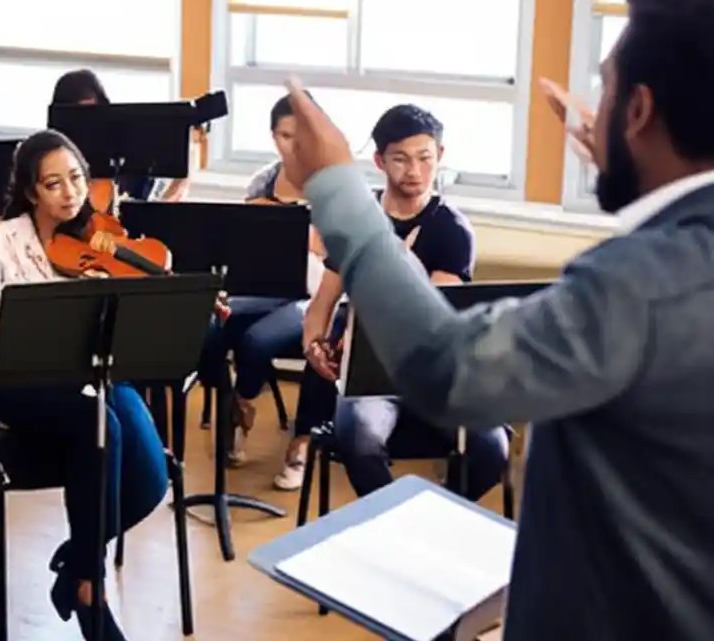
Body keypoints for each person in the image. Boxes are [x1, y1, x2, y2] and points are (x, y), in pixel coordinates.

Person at [282, 0, 714, 639]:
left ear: (640, 110)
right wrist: (640, 170)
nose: (592, 114)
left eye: (607, 90)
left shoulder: (638, 286)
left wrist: (336, 188)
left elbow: (444, 367)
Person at [0, 129, 169, 641]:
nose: (70, 193)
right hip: (30, 382)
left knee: (153, 479)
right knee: (101, 426)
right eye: (53, 183)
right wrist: (27, 302)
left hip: (98, 375)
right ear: (31, 192)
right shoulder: (10, 240)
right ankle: (92, 590)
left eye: (76, 179)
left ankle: (71, 566)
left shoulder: (103, 235)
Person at [286, 104, 509, 499]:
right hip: (372, 378)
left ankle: (438, 514)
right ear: (379, 161)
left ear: (440, 156)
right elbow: (322, 302)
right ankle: (391, 522)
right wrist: (313, 344)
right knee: (358, 439)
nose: (415, 171)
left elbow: (427, 318)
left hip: (438, 374)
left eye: (425, 158)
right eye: (400, 160)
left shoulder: (453, 230)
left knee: (492, 449)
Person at [195, 93, 326, 476]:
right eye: (286, 136)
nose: (295, 146)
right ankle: (226, 405)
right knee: (208, 324)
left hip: (312, 296)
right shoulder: (263, 181)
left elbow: (336, 258)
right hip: (260, 288)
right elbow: (244, 246)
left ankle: (246, 404)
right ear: (274, 137)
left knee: (257, 340)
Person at [50, 68, 191, 203]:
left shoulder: (128, 161)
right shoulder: (49, 161)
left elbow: (155, 210)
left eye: (92, 115)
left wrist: (186, 168)